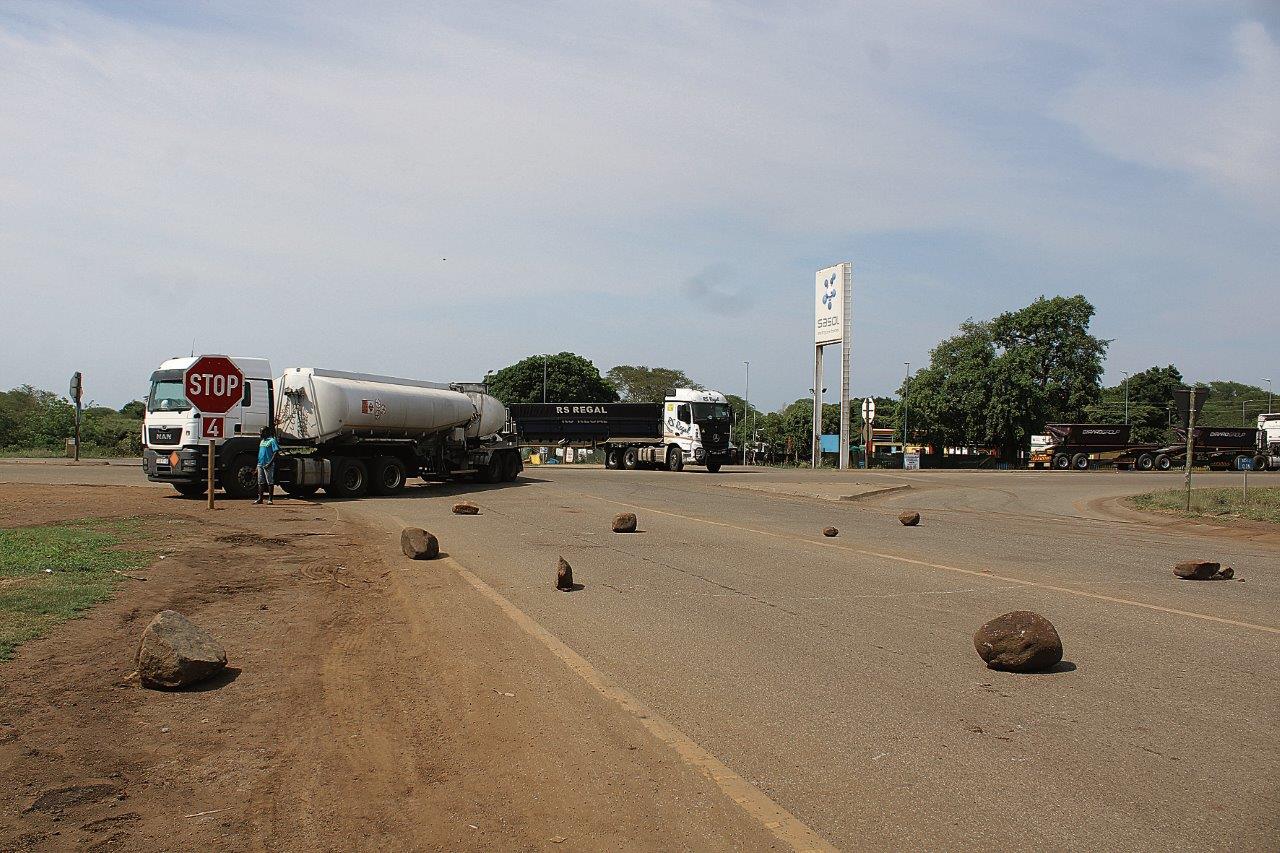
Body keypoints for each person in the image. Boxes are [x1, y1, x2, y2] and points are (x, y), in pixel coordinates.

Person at [255, 426, 280, 505]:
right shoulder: (262, 441)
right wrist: (257, 465)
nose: (260, 434)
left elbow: (275, 452)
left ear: (266, 432)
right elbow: (260, 454)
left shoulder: (272, 440)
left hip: (268, 464)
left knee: (270, 482)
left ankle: (270, 499)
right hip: (260, 464)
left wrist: (269, 463)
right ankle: (260, 499)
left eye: (262, 432)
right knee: (260, 482)